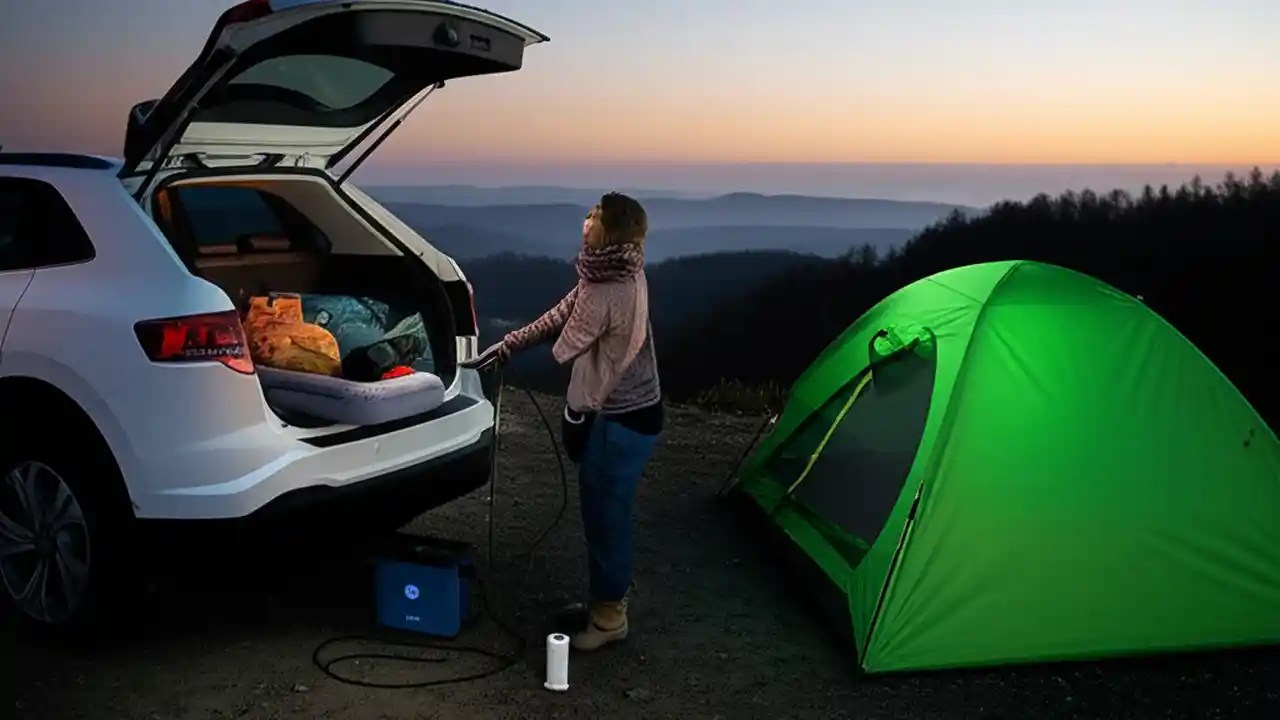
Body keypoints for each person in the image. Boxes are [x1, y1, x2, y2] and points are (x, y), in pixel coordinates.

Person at [495, 191, 663, 651]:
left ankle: (609, 619)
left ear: (609, 231)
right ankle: (604, 603)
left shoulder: (612, 288)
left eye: (595, 215)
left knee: (607, 518)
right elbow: (568, 308)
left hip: (620, 417)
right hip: (627, 412)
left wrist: (516, 352)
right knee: (603, 512)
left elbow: (566, 343)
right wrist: (513, 340)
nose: (586, 219)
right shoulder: (615, 269)